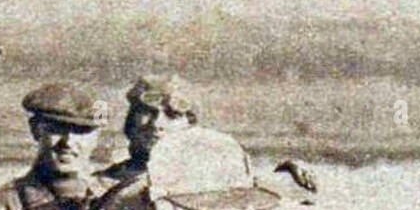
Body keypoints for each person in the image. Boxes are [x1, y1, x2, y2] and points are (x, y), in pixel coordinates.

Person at [98, 73, 318, 194]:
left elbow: (245, 190)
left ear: (190, 127)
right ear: (131, 119)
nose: (157, 124)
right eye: (147, 113)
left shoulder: (207, 176)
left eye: (172, 116)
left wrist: (287, 172)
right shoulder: (104, 184)